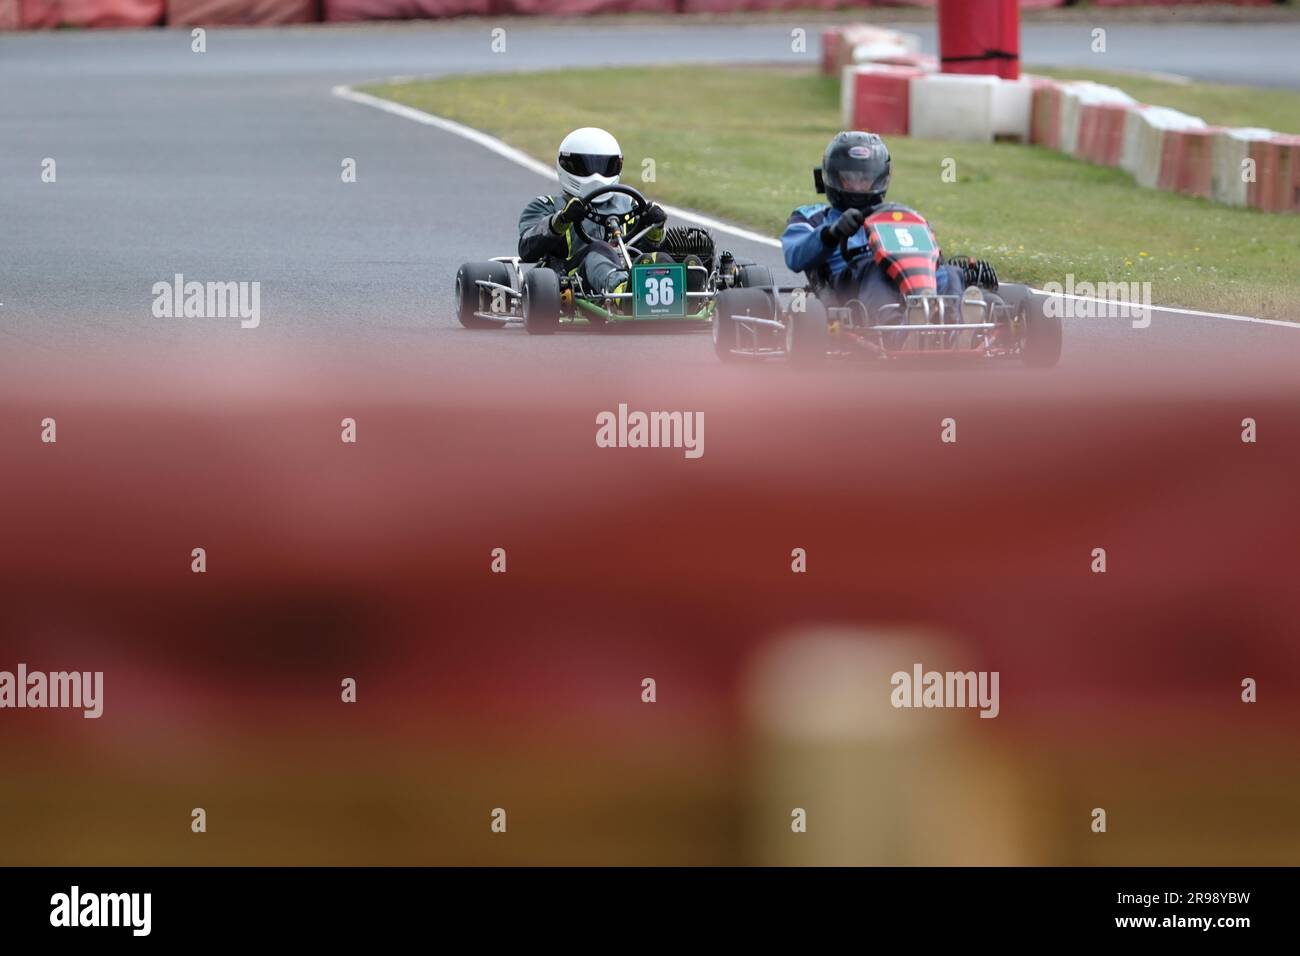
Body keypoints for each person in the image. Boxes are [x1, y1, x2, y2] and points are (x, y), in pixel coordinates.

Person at [781, 131, 965, 315]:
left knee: (950, 274)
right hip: (850, 288)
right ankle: (896, 336)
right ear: (832, 177)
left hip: (903, 281)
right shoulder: (813, 217)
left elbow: (930, 257)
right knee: (876, 268)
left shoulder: (895, 216)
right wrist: (831, 233)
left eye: (865, 179)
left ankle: (953, 327)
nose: (858, 185)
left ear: (880, 178)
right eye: (849, 179)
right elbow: (794, 256)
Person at [517, 127, 671, 296]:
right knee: (598, 250)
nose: (596, 176)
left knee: (659, 258)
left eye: (605, 166)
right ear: (567, 165)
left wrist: (656, 227)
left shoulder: (629, 204)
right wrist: (561, 220)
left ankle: (686, 293)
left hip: (627, 269)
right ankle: (620, 293)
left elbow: (650, 246)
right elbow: (527, 249)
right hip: (573, 280)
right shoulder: (547, 205)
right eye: (586, 167)